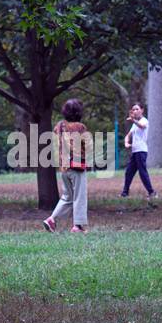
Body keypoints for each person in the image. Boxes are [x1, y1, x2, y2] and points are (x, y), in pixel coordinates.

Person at [42, 98, 90, 233]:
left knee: (67, 197)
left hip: (63, 167)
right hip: (76, 167)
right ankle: (78, 226)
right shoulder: (80, 127)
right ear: (78, 112)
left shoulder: (59, 126)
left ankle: (51, 219)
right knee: (79, 196)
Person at [119, 102, 157, 200]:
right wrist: (126, 142)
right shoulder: (134, 124)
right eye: (133, 109)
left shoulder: (144, 121)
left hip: (141, 151)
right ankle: (125, 193)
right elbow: (128, 135)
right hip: (135, 151)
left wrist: (133, 120)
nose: (135, 111)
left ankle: (152, 192)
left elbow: (142, 126)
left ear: (142, 110)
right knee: (129, 172)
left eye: (137, 109)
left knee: (142, 172)